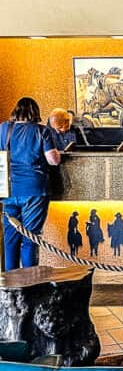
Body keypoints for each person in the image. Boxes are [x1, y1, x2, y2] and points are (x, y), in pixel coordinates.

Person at [0, 97, 60, 269]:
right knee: (30, 238)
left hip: (9, 190)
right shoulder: (42, 131)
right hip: (34, 190)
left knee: (10, 239)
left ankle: (11, 287)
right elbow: (53, 160)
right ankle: (29, 287)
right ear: (35, 112)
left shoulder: (3, 129)